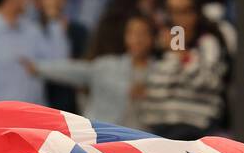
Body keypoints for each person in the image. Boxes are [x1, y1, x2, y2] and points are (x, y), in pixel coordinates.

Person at [25, 13, 154, 126]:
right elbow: (73, 70)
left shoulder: (160, 71)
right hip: (102, 140)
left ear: (151, 37)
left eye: (142, 33)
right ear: (125, 37)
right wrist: (38, 68)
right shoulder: (107, 66)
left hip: (140, 144)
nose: (137, 39)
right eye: (131, 33)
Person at [139, 0, 227, 139]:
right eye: (172, 12)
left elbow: (209, 82)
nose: (177, 18)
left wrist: (181, 52)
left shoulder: (207, 42)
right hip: (156, 127)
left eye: (183, 12)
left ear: (196, 13)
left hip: (193, 127)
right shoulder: (161, 44)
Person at [0, 0, 68, 107]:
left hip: (36, 117)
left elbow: (58, 64)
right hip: (1, 119)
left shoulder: (31, 30)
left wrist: (54, 20)